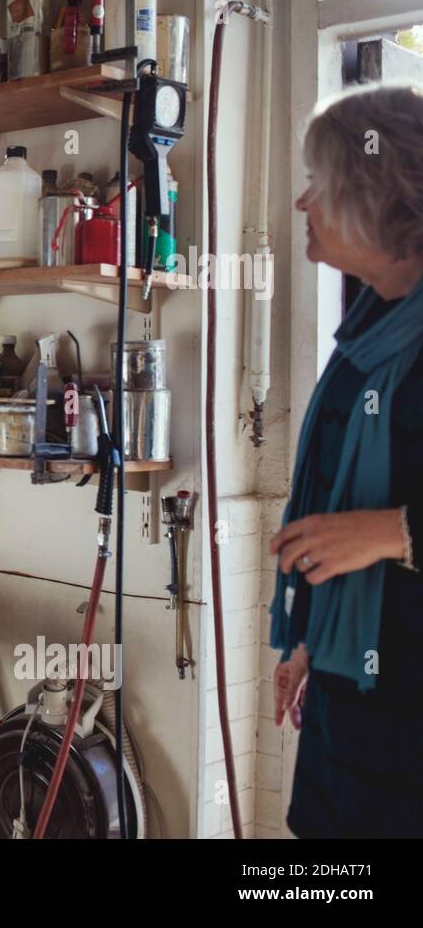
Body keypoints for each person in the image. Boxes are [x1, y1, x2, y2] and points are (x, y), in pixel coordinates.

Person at [269, 83, 423, 837]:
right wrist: (310, 642)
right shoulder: (369, 325)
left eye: (321, 188)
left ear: (382, 201)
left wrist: (394, 532)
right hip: (345, 696)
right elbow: (333, 492)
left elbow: (370, 523)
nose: (305, 205)